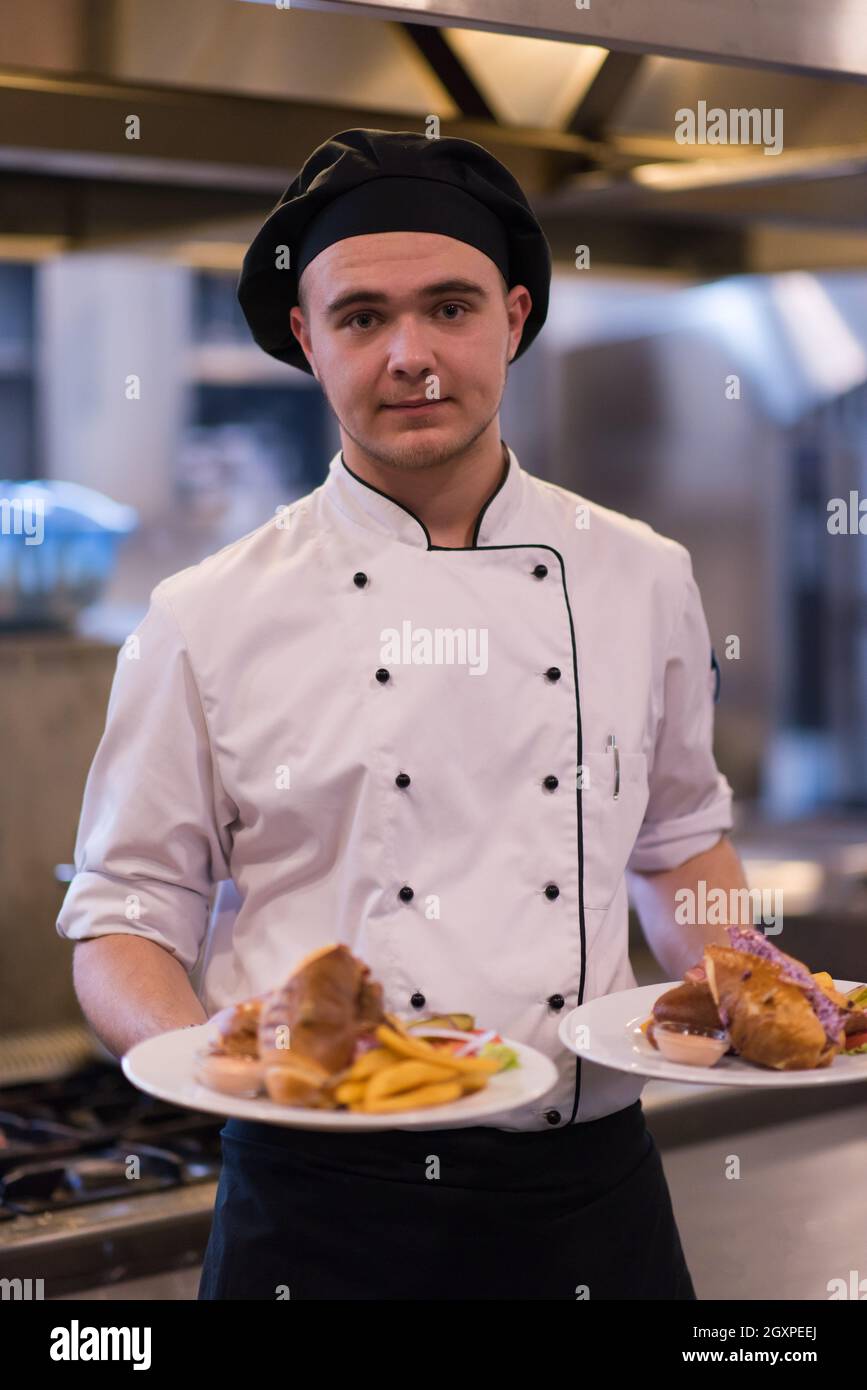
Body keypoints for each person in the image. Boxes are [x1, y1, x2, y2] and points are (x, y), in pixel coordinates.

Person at [57, 128, 748, 1300]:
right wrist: (211, 1055)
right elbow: (124, 916)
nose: (410, 355)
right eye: (363, 316)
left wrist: (758, 983)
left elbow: (680, 843)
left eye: (450, 307)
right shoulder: (203, 614)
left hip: (588, 1200)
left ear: (514, 318)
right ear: (307, 337)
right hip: (318, 1205)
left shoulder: (643, 576)